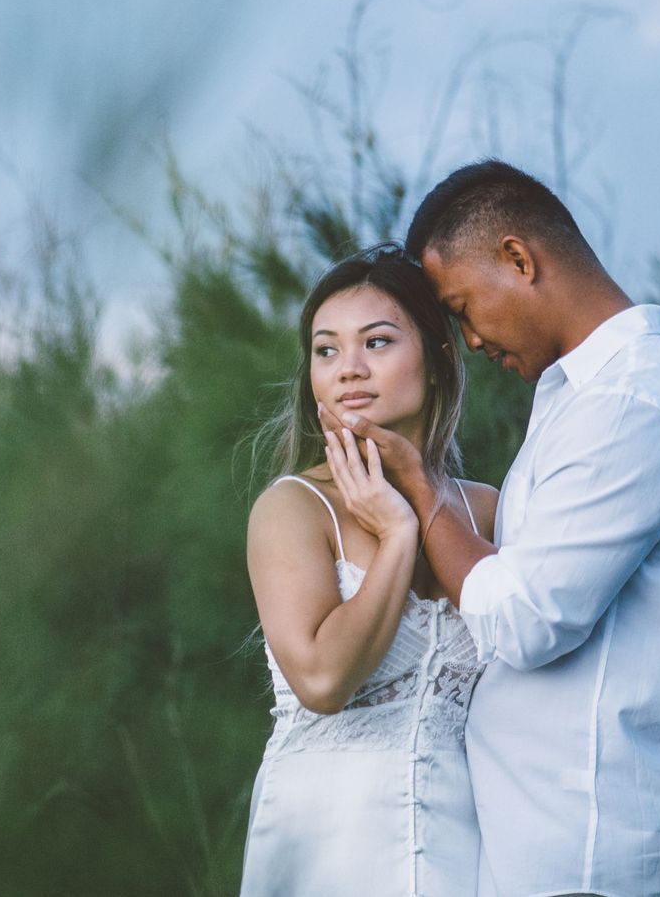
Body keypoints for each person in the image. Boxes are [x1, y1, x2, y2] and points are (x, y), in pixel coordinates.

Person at [324, 160, 660, 895]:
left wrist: (421, 490)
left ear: (518, 258)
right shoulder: (580, 396)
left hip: (592, 846)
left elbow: (523, 619)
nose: (470, 340)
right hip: (545, 839)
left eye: (462, 307)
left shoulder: (630, 404)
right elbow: (552, 576)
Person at [240, 243, 497, 896]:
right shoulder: (294, 509)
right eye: (326, 351)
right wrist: (399, 535)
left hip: (465, 851)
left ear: (439, 358)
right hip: (324, 855)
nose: (349, 369)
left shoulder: (491, 512)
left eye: (376, 342)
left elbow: (559, 614)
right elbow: (323, 679)